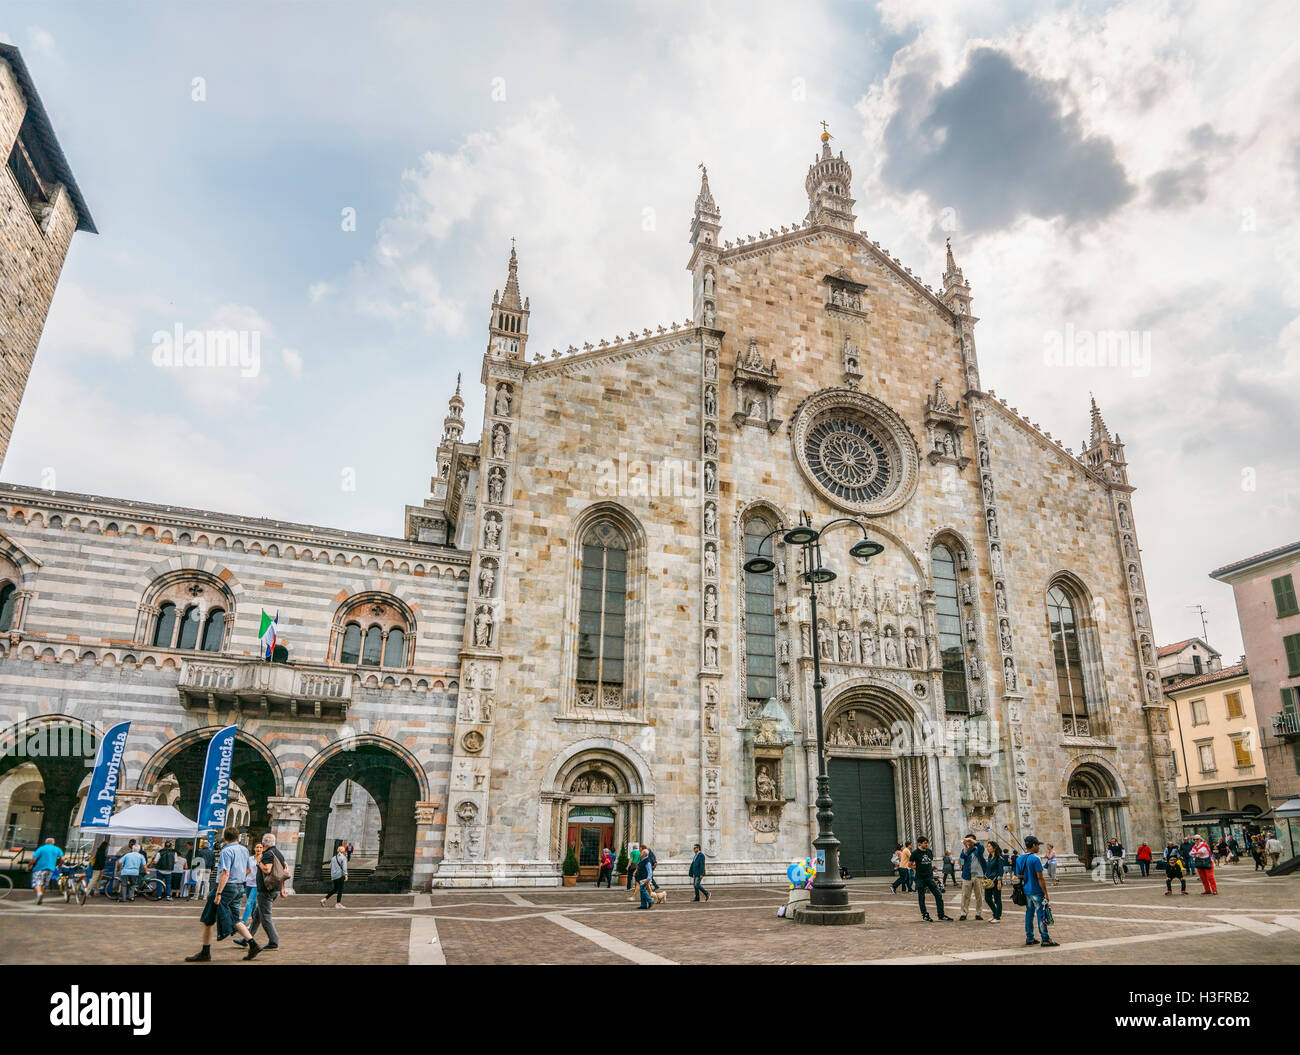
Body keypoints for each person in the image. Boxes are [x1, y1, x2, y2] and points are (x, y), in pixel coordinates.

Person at [184, 827, 262, 961]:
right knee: (235, 918)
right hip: (239, 887)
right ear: (237, 837)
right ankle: (253, 944)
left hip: (226, 887)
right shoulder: (244, 850)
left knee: (208, 919)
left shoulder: (226, 851)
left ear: (225, 838)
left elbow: (225, 872)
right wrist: (240, 878)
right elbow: (249, 868)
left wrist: (219, 892)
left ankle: (205, 952)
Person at [244, 832, 286, 951]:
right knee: (257, 915)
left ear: (263, 843)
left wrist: (258, 862)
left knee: (265, 916)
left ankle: (273, 942)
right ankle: (246, 937)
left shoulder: (268, 854)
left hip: (266, 890)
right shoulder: (278, 853)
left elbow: (267, 869)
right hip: (274, 888)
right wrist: (282, 888)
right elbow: (285, 869)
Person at [1017, 835, 1058, 947]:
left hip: (1026, 890)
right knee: (1040, 914)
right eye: (1038, 845)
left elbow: (1018, 875)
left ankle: (1029, 937)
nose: (1039, 848)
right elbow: (1040, 878)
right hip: (1036, 890)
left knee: (1029, 913)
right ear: (1033, 845)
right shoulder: (1035, 859)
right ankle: (1045, 938)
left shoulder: (1020, 858)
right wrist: (1046, 893)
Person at [912, 836, 952, 922]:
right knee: (921, 897)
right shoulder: (915, 853)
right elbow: (909, 864)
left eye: (927, 843)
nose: (926, 844)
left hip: (930, 877)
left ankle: (941, 915)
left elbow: (930, 861)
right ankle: (925, 915)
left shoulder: (929, 852)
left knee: (938, 895)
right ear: (919, 843)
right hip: (920, 878)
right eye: (925, 843)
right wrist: (917, 868)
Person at [28, 837, 63, 905]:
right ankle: (40, 899)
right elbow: (62, 858)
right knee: (44, 884)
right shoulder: (57, 849)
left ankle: (39, 893)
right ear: (53, 843)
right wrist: (60, 865)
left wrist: (29, 865)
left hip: (39, 868)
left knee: (36, 882)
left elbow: (34, 859)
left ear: (45, 842)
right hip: (51, 869)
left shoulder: (41, 848)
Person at [958, 834, 986, 920]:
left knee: (979, 896)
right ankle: (963, 913)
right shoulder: (964, 850)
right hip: (967, 876)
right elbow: (962, 860)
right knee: (965, 896)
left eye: (971, 840)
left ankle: (978, 913)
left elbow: (981, 847)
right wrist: (965, 846)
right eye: (968, 840)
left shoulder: (978, 850)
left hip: (978, 875)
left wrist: (972, 840)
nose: (969, 842)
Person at [983, 840, 1005, 922]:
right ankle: (995, 913)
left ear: (994, 848)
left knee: (997, 899)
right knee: (987, 898)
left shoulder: (999, 858)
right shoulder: (989, 857)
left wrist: (999, 882)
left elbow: (1000, 870)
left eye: (989, 846)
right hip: (988, 881)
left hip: (996, 881)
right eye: (987, 846)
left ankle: (997, 917)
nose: (987, 848)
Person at [321, 844, 348, 908]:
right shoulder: (343, 858)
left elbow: (330, 866)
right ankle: (338, 903)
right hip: (340, 875)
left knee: (335, 889)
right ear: (343, 851)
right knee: (340, 889)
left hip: (334, 876)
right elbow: (344, 867)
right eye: (344, 851)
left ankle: (324, 899)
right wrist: (346, 875)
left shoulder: (333, 858)